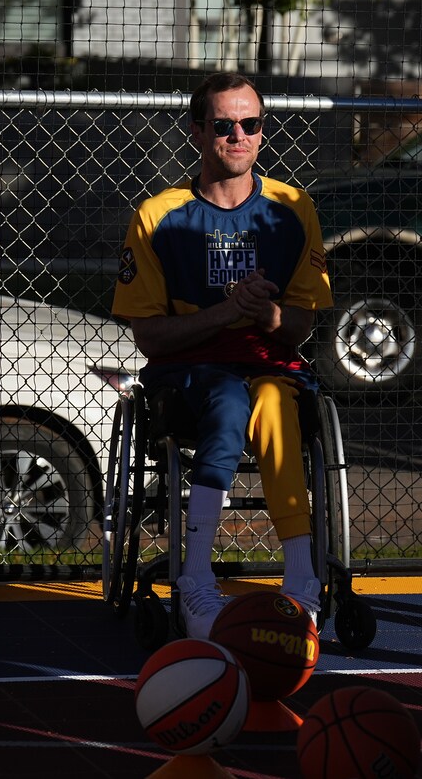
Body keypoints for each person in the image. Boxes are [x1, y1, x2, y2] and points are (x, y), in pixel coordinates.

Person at [111, 71, 332, 639]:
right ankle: (195, 577)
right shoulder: (157, 215)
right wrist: (226, 312)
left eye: (250, 124)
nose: (239, 135)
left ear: (263, 132)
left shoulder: (293, 207)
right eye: (224, 125)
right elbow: (150, 339)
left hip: (267, 368)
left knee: (271, 400)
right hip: (186, 377)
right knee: (233, 397)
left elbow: (302, 326)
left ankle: (302, 579)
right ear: (197, 132)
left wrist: (264, 316)